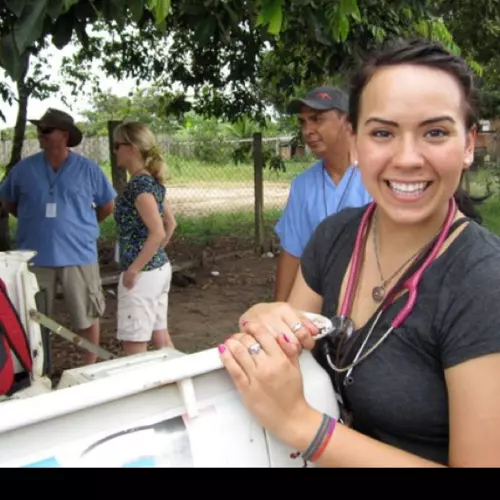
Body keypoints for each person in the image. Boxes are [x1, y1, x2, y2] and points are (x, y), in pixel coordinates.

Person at [218, 38, 500, 467]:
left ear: (467, 145)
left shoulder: (483, 282)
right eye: (383, 132)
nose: (407, 158)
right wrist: (265, 318)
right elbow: (290, 346)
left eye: (436, 132)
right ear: (355, 141)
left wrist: (303, 426)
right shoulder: (335, 237)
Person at [0, 108, 116, 365]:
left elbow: (107, 206)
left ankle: (89, 368)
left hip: (79, 254)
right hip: (35, 256)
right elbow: (8, 202)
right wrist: (35, 223)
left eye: (45, 130)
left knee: (87, 314)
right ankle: (39, 369)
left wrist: (81, 226)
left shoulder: (89, 170)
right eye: (38, 129)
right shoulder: (23, 170)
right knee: (34, 318)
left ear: (64, 135)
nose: (39, 134)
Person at [274, 86, 371, 301]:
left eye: (317, 119)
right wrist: (280, 307)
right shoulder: (303, 186)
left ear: (347, 122)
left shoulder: (376, 178)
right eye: (303, 122)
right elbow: (292, 253)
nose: (307, 130)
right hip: (315, 302)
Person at [113, 121, 176, 355]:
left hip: (142, 275)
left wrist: (135, 269)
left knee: (135, 345)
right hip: (159, 269)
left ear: (132, 148)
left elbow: (158, 230)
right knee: (161, 339)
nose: (115, 151)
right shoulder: (152, 181)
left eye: (118, 145)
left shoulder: (138, 185)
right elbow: (171, 223)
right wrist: (156, 255)